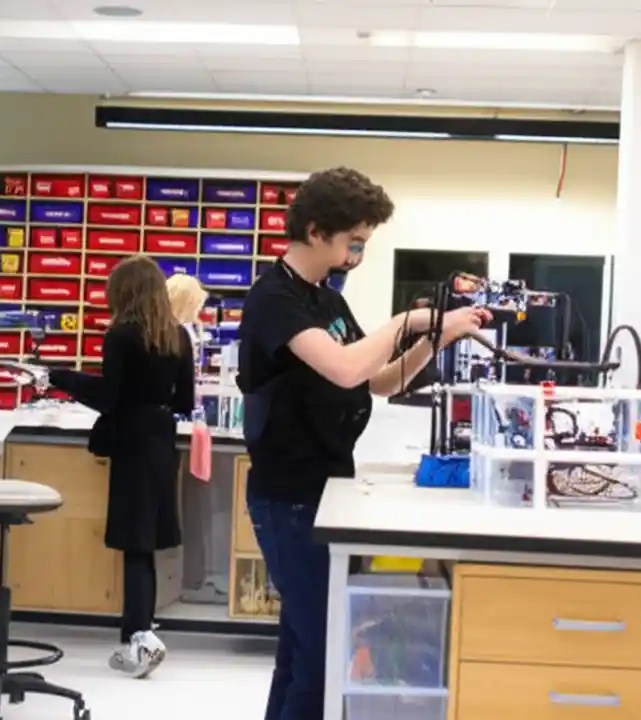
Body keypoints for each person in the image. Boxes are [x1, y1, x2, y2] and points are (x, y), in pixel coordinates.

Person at [237, 167, 489, 720]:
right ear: (315, 230)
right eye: (354, 241)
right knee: (325, 651)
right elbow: (347, 368)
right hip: (289, 497)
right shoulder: (273, 299)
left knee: (303, 649)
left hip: (328, 490)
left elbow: (383, 380)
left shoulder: (326, 302)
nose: (358, 253)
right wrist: (407, 319)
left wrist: (436, 335)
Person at [47, 256, 194, 679]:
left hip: (131, 443)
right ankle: (141, 632)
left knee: (135, 545)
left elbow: (108, 396)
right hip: (161, 442)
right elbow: (183, 402)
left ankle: (138, 639)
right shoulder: (178, 336)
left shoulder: (121, 335)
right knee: (144, 544)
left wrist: (63, 377)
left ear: (122, 292)